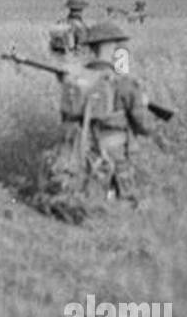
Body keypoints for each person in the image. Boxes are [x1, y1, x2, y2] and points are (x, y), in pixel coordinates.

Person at [40, 20, 152, 213]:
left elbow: (65, 116)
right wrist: (143, 104)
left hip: (75, 148)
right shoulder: (124, 82)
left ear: (91, 48)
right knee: (128, 197)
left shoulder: (74, 79)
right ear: (114, 46)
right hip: (113, 153)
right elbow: (144, 127)